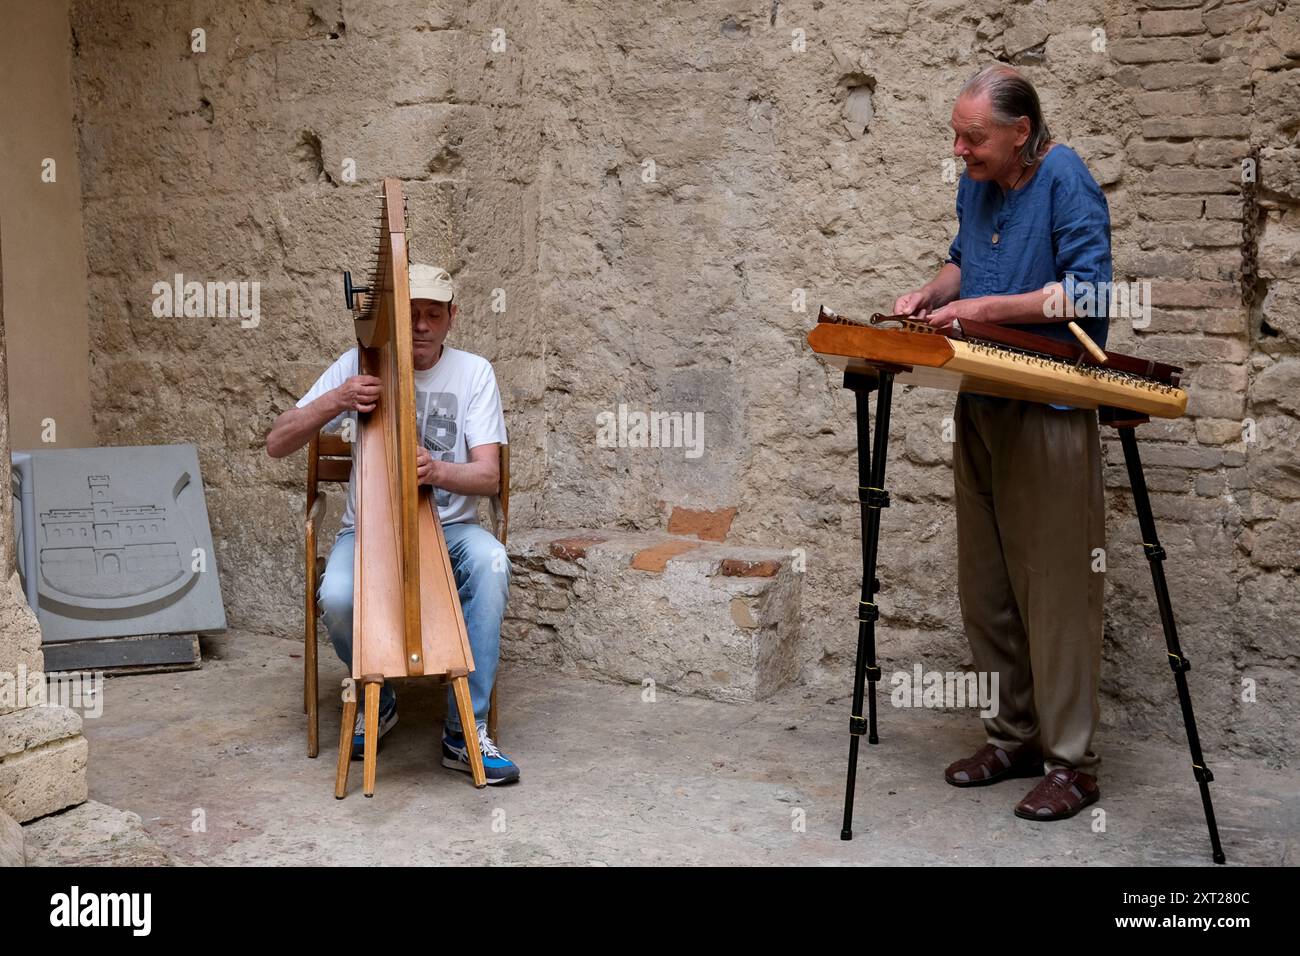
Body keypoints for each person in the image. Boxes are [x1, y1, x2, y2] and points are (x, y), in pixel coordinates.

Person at [893, 64, 1111, 820]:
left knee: (1055, 589)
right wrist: (936, 291)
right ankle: (1012, 736)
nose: (961, 149)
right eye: (957, 135)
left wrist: (993, 307)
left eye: (974, 137)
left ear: (1022, 133)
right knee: (987, 588)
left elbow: (1088, 293)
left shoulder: (1067, 177)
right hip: (982, 398)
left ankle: (1072, 762)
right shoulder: (980, 182)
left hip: (1049, 405)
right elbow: (964, 257)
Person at [266, 263, 519, 784]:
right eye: (410, 315)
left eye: (433, 314)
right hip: (368, 533)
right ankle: (379, 696)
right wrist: (337, 400)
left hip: (450, 532)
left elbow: (490, 477)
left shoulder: (475, 373)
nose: (421, 326)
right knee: (337, 595)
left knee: (492, 561)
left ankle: (463, 728)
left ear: (452, 317)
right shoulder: (357, 363)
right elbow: (277, 443)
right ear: (391, 320)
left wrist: (439, 470)